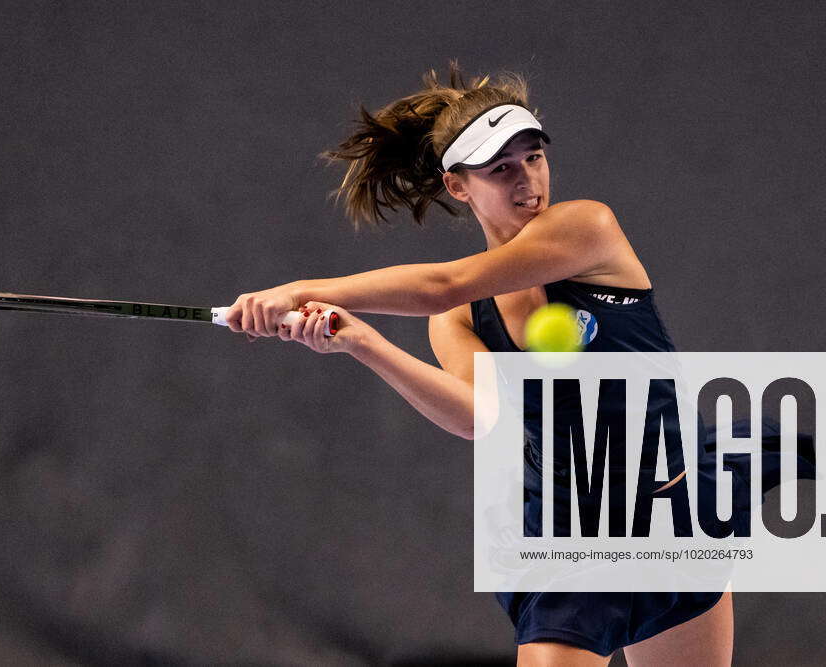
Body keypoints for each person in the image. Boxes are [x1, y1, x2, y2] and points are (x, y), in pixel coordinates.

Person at [223, 65, 733, 666]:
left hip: (672, 519)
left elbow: (443, 282)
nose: (527, 182)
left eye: (534, 158)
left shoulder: (587, 227)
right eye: (501, 169)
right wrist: (364, 342)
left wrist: (299, 287)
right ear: (459, 186)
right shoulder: (461, 318)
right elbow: (480, 417)